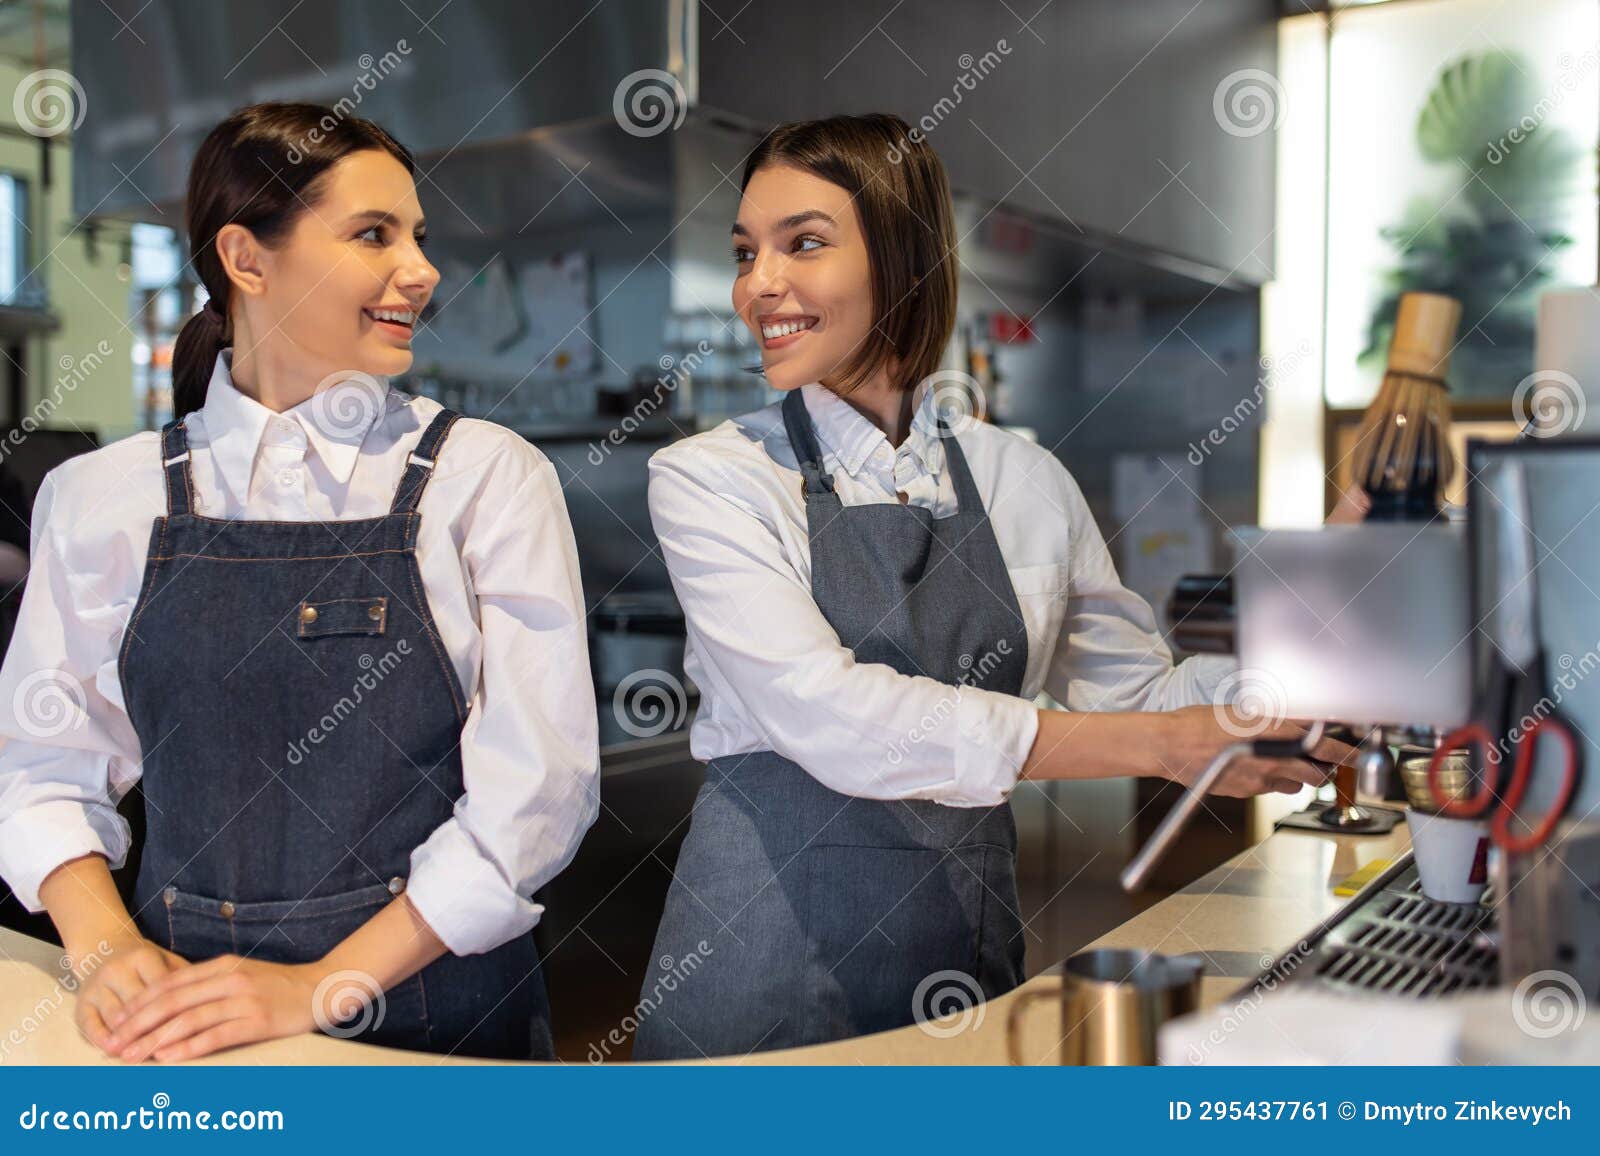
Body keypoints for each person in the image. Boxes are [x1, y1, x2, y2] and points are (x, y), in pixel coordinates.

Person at [633, 114, 1350, 1059]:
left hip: (961, 963)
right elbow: (838, 719)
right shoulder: (711, 478)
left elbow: (1136, 690)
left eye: (803, 243)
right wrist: (1164, 744)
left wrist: (1293, 677)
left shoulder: (1024, 478)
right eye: (744, 252)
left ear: (906, 258)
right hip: (755, 977)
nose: (759, 285)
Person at [0, 103, 599, 1062]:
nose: (422, 268)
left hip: (441, 1028)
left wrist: (319, 987)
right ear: (246, 258)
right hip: (186, 1028)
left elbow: (539, 797)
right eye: (374, 234)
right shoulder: (99, 498)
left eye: (418, 235)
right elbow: (39, 763)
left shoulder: (486, 477)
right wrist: (108, 947)